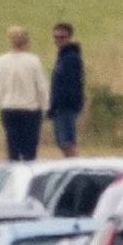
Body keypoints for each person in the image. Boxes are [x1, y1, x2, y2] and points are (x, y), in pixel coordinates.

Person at [0, 26, 49, 161]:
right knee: (30, 150)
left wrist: (0, 102)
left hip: (9, 109)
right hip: (30, 110)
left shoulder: (2, 60)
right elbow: (41, 86)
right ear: (27, 42)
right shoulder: (33, 60)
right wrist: (45, 106)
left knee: (12, 149)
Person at [48, 22, 85, 159]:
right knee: (62, 142)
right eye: (56, 37)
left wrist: (63, 103)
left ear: (69, 37)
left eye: (62, 37)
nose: (58, 40)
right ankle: (72, 164)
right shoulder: (62, 57)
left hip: (67, 106)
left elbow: (71, 85)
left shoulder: (71, 58)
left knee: (67, 142)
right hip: (59, 107)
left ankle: (76, 167)